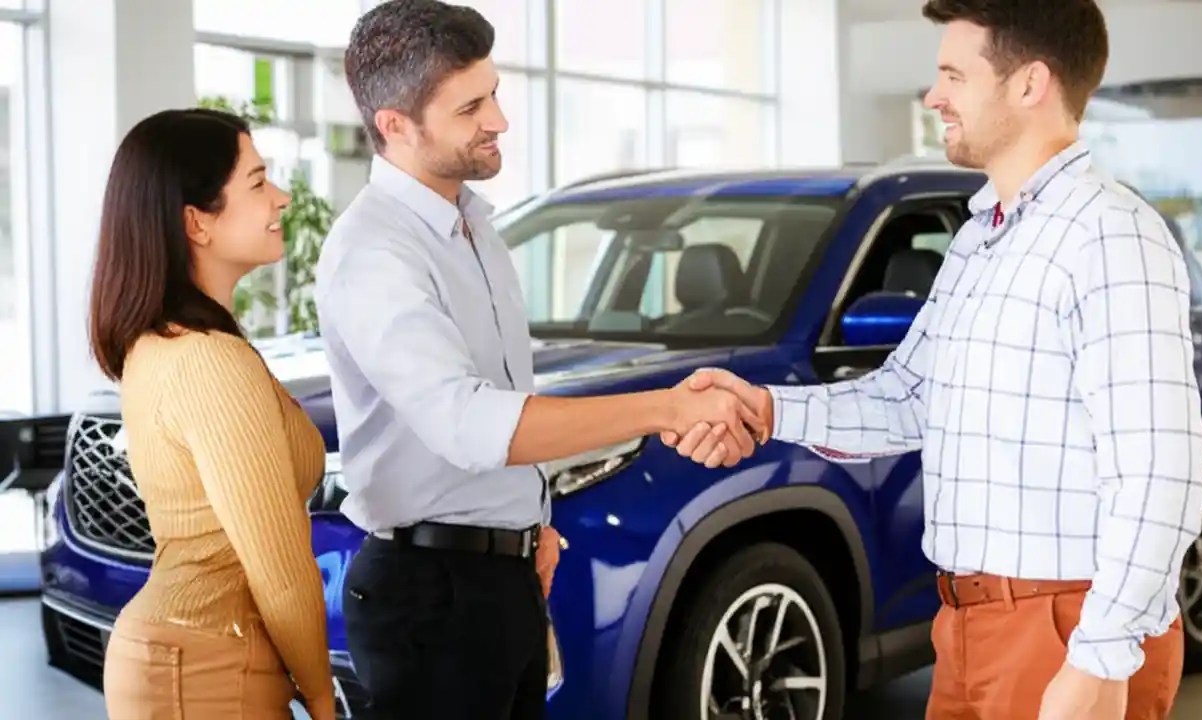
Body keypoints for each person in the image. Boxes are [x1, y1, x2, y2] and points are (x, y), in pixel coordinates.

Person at [665, 1, 1202, 719]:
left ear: (1029, 84)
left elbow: (1159, 469)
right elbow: (909, 396)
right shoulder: (981, 238)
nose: (934, 96)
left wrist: (1099, 655)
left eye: (954, 74)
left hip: (1063, 627)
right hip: (967, 623)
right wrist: (766, 408)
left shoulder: (1109, 234)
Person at [313, 2, 763, 718]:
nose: (499, 119)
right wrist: (668, 407)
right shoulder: (376, 252)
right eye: (471, 107)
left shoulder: (474, 225)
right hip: (430, 599)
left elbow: (501, 400)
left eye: (493, 93)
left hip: (502, 576)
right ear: (396, 125)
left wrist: (525, 522)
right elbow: (469, 422)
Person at [91, 108, 335, 720]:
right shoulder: (207, 361)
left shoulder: (168, 343)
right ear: (196, 222)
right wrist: (323, 697)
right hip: (205, 665)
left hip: (189, 653)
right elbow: (279, 569)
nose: (280, 199)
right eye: (257, 183)